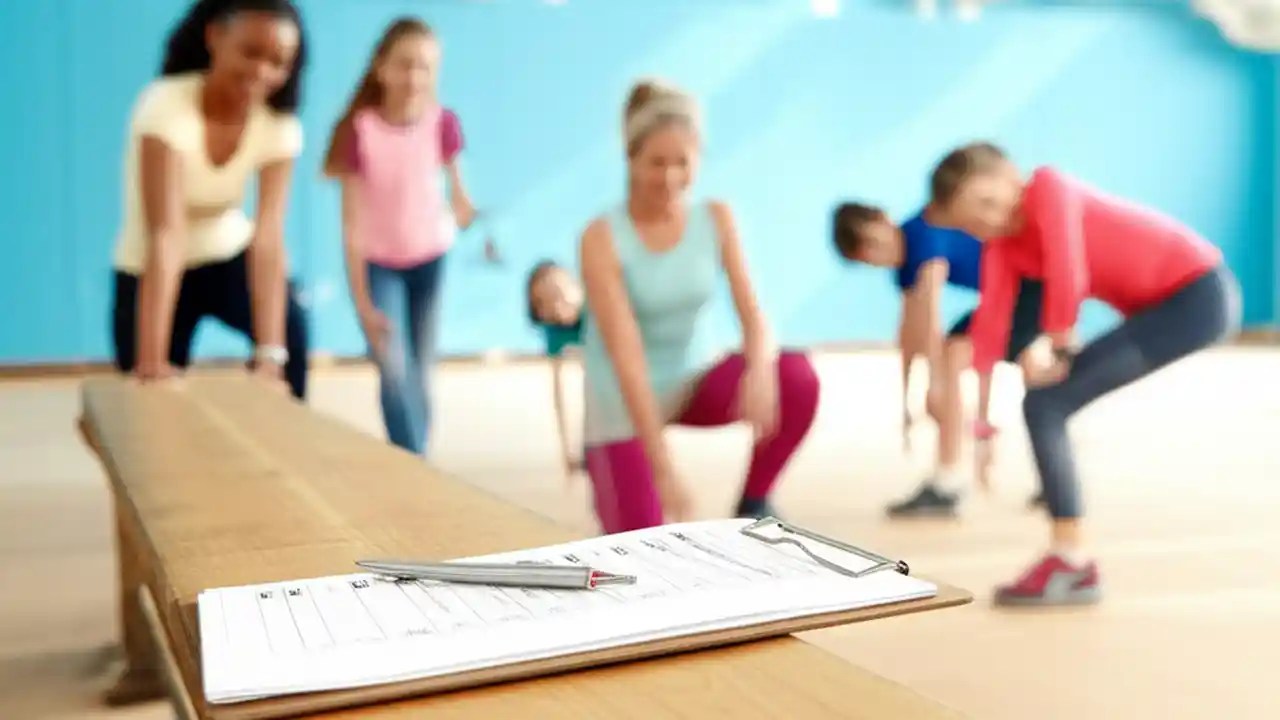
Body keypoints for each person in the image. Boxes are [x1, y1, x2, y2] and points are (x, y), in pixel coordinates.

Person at [932, 141, 1240, 606]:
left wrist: (1058, 344)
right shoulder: (1004, 248)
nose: (988, 222)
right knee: (1043, 403)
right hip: (1159, 309)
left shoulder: (1050, 186)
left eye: (988, 203)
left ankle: (1071, 562)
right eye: (971, 222)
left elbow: (1067, 268)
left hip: (1197, 295)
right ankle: (1071, 558)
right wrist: (982, 426)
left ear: (1011, 176)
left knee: (1047, 401)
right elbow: (991, 328)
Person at [578, 78, 821, 534]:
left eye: (681, 163)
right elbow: (627, 357)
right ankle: (612, 468)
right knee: (637, 547)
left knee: (796, 376)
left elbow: (753, 314)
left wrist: (762, 368)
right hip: (622, 402)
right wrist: (663, 467)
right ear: (630, 159)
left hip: (693, 381)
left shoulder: (716, 218)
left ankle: (754, 500)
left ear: (699, 160)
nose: (669, 177)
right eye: (656, 162)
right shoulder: (601, 238)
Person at [111, 0, 310, 398]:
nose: (261, 72)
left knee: (291, 328)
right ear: (215, 37)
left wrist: (270, 355)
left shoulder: (279, 124)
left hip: (224, 256)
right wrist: (151, 362)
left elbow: (268, 237)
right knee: (149, 401)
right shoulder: (165, 105)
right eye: (250, 52)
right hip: (151, 266)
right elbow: (166, 233)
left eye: (278, 62)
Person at [322, 18, 476, 456]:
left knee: (421, 369)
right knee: (392, 368)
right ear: (381, 68)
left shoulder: (442, 123)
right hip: (379, 265)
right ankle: (414, 461)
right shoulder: (359, 130)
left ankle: (417, 462)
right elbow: (351, 225)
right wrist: (362, 302)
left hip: (430, 259)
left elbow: (460, 196)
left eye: (425, 67)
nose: (415, 77)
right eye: (405, 64)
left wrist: (467, 212)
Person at [832, 202, 1046, 517]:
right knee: (1021, 369)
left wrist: (936, 383)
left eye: (876, 244)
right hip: (1007, 295)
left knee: (955, 355)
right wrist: (907, 399)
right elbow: (909, 330)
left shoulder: (924, 233)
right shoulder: (904, 268)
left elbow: (932, 311)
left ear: (885, 218)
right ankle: (1050, 470)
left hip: (1033, 287)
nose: (879, 256)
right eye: (869, 258)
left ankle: (948, 483)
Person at [526, 260, 586, 476]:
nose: (559, 308)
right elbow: (559, 393)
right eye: (547, 304)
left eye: (561, 295)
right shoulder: (555, 330)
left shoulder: (596, 309)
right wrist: (566, 450)